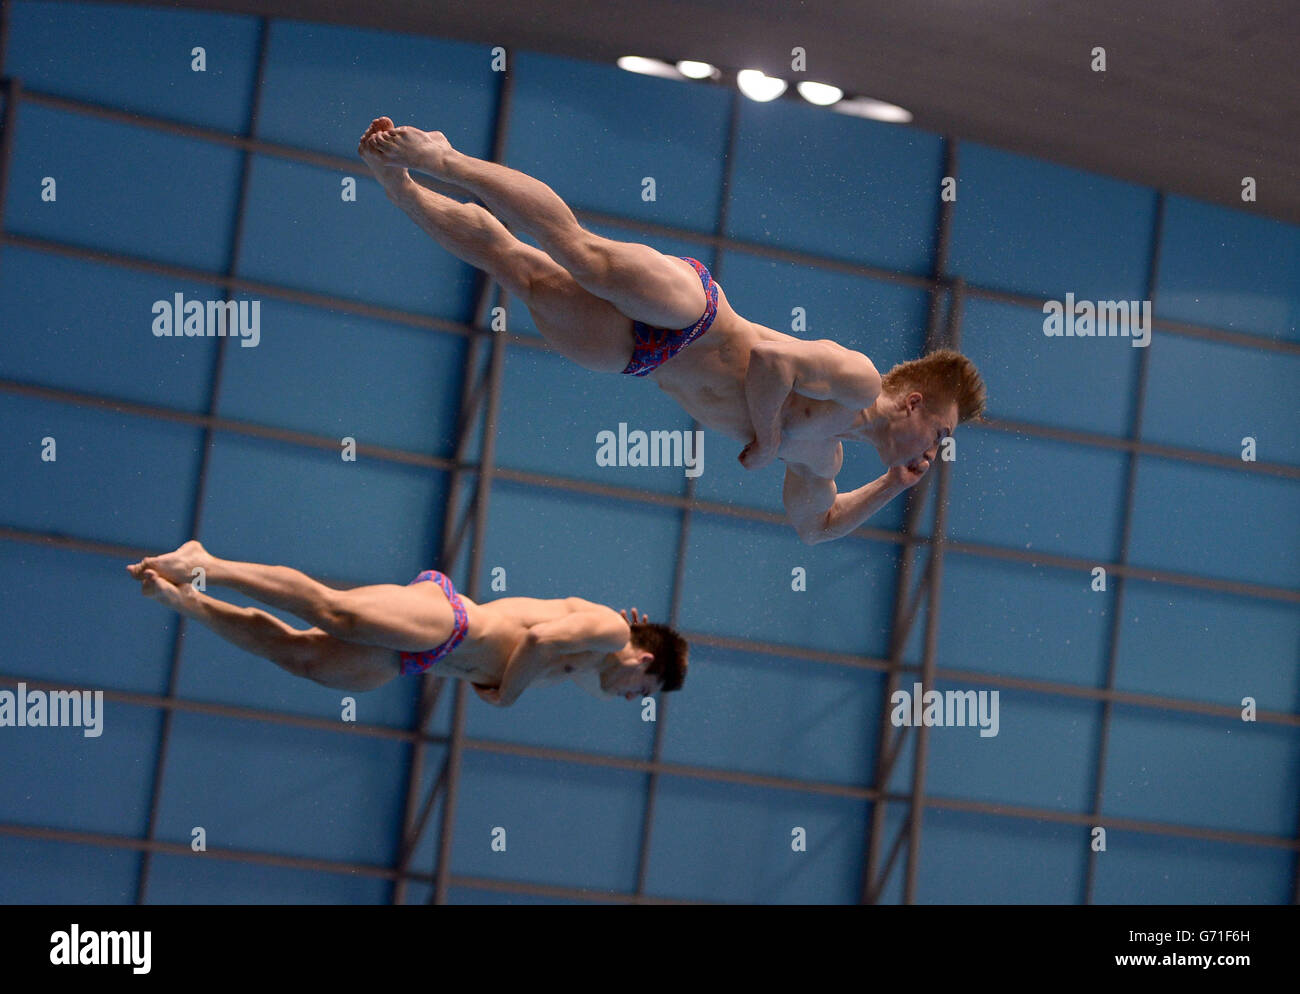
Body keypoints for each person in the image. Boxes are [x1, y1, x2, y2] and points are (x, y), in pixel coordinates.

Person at [357, 118, 986, 544]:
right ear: (912, 403)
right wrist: (767, 439)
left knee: (519, 271)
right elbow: (771, 360)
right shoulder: (855, 380)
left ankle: (400, 187)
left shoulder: (825, 456)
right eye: (941, 433)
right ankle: (444, 157)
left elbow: (814, 528)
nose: (935, 453)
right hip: (696, 316)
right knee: (576, 249)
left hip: (643, 359)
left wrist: (888, 485)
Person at [127, 541, 687, 704]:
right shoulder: (610, 634)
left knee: (300, 657)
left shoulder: (597, 653)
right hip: (448, 624)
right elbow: (539, 640)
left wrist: (632, 636)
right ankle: (209, 566)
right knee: (334, 610)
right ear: (643, 662)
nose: (630, 699)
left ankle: (190, 603)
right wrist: (508, 695)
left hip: (422, 661)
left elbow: (589, 665)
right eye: (643, 692)